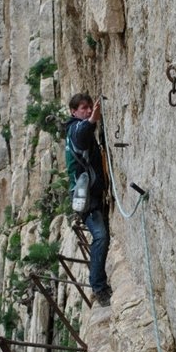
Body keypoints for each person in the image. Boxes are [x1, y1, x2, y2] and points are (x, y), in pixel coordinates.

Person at [65, 93, 112, 307]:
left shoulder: (73, 129)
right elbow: (83, 133)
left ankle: (98, 283)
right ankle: (99, 287)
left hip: (90, 195)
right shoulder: (75, 128)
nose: (85, 110)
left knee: (101, 234)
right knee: (100, 236)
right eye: (82, 108)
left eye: (87, 107)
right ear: (74, 112)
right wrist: (92, 119)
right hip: (86, 199)